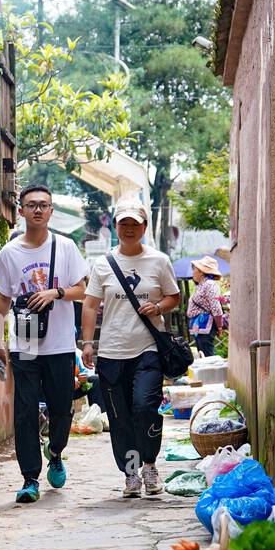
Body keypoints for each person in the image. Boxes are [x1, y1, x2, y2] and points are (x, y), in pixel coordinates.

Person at [0, 184, 90, 503]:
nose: (37, 210)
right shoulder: (9, 253)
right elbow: (2, 300)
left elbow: (82, 291)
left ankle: (56, 452)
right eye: (31, 205)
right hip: (25, 344)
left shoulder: (65, 247)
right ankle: (29, 478)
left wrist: (55, 293)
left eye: (43, 205)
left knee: (62, 409)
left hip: (60, 343)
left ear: (51, 211)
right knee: (24, 411)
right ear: (20, 211)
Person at [80, 203, 181, 497]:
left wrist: (158, 306)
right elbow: (89, 304)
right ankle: (131, 474)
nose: (129, 228)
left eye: (135, 224)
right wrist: (88, 343)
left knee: (144, 407)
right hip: (112, 352)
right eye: (123, 223)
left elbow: (174, 296)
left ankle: (149, 465)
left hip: (148, 349)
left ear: (144, 227)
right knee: (120, 417)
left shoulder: (159, 261)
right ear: (115, 226)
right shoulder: (103, 264)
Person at [188, 256, 224, 357]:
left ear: (201, 272)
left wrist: (219, 326)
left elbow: (216, 306)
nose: (193, 272)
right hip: (199, 325)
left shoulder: (210, 284)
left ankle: (211, 373)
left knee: (207, 355)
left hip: (205, 324)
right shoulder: (201, 285)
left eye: (194, 269)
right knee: (202, 354)